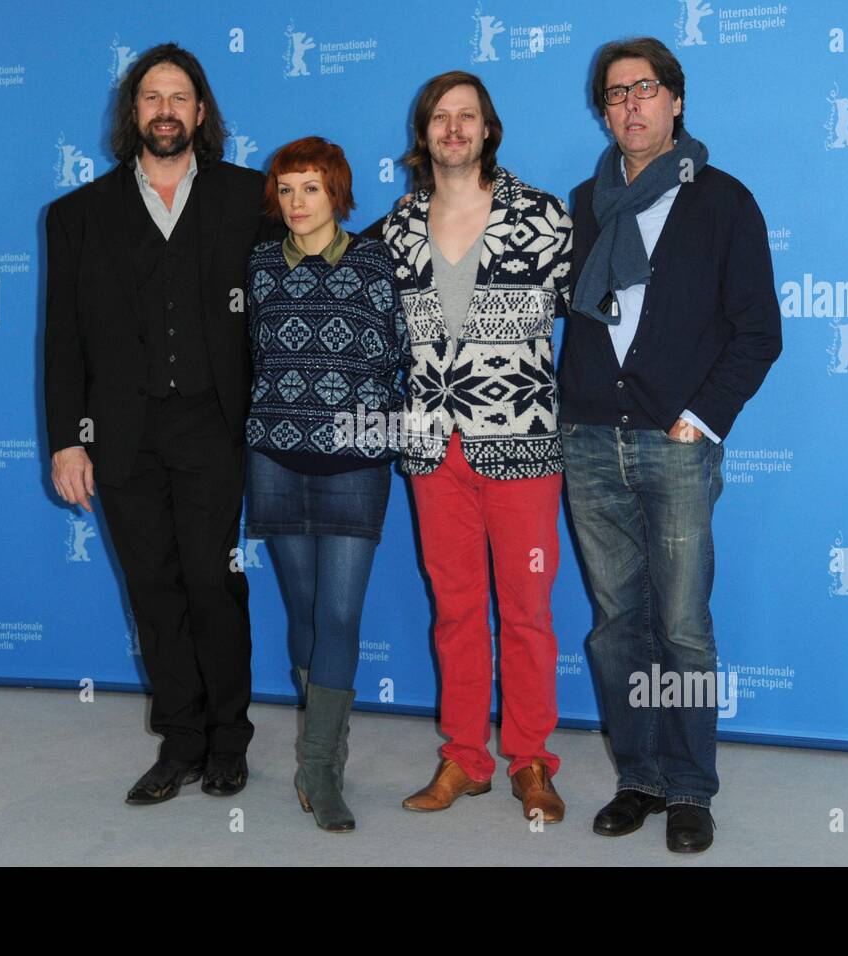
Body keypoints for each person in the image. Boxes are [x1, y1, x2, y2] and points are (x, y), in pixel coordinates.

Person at [558, 37, 782, 852]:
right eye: (615, 95)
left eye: (644, 89)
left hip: (676, 442)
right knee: (618, 625)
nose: (631, 106)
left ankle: (690, 786)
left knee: (682, 625)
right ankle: (640, 775)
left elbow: (759, 333)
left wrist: (702, 418)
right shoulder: (584, 203)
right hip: (587, 440)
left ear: (676, 101)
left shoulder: (722, 202)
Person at [44, 43, 280, 806]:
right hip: (121, 435)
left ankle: (228, 740)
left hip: (215, 429)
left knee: (213, 583)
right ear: (133, 113)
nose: (167, 110)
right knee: (152, 586)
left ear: (201, 113)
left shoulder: (253, 200)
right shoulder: (77, 215)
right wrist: (65, 439)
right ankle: (179, 741)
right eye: (152, 98)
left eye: (180, 97)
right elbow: (63, 338)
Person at [378, 71, 574, 823]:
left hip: (522, 445)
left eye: (468, 116)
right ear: (423, 133)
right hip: (432, 447)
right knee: (456, 609)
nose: (453, 128)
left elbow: (588, 324)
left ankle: (530, 759)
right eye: (439, 117)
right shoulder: (395, 231)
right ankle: (465, 757)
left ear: (489, 130)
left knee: (526, 610)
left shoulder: (544, 216)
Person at [244, 137, 410, 833]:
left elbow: (408, 358)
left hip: (356, 463)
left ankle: (322, 771)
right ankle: (320, 760)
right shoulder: (257, 266)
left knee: (339, 617)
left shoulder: (378, 264)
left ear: (337, 194)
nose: (296, 204)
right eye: (285, 190)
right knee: (304, 613)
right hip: (276, 460)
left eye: (310, 188)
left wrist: (400, 435)